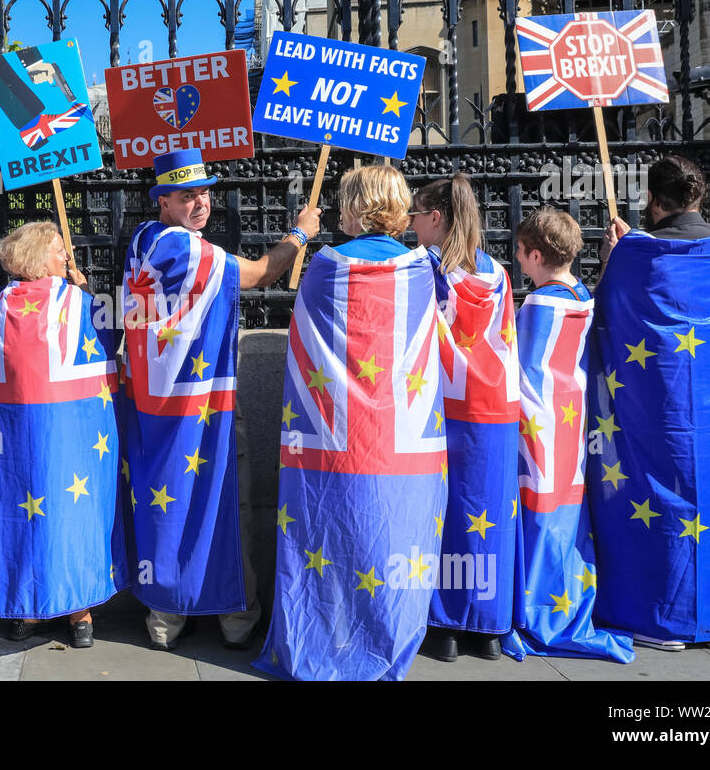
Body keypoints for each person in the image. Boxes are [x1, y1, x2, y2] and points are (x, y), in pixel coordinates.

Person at [252, 165, 448, 680]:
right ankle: (388, 637)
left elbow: (307, 340)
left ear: (353, 208)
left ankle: (322, 636)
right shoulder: (420, 268)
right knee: (391, 544)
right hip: (398, 444)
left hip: (332, 443)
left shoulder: (324, 267)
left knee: (329, 543)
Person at [121, 148, 320, 652]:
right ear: (162, 201)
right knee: (226, 501)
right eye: (187, 195)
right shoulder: (186, 250)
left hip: (154, 402)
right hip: (201, 401)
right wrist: (299, 234)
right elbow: (258, 274)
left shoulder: (143, 241)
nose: (201, 202)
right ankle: (235, 615)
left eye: (204, 192)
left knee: (163, 504)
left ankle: (166, 614)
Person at [590, 155, 710, 652]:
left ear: (654, 202)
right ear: (698, 198)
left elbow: (604, 310)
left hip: (654, 406)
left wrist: (616, 253)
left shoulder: (639, 252)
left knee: (658, 494)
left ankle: (663, 619)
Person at [0, 221, 128, 648]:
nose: (67, 256)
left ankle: (26, 609)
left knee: (22, 514)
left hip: (13, 438)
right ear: (36, 258)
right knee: (75, 515)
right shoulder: (77, 302)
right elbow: (112, 337)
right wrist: (86, 292)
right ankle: (81, 615)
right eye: (59, 250)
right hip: (71, 436)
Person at [503, 207, 633, 663]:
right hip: (570, 424)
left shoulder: (538, 304)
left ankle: (533, 609)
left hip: (536, 430)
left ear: (536, 254)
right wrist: (612, 255)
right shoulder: (580, 293)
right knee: (563, 515)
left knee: (536, 516)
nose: (517, 262)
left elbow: (519, 371)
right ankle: (563, 599)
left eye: (520, 253)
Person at [410, 173, 519, 662]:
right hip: (495, 409)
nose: (410, 225)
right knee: (490, 512)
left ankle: (444, 626)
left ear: (435, 218)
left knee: (445, 513)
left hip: (442, 407)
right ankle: (490, 628)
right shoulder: (497, 271)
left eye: (415, 216)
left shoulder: (423, 268)